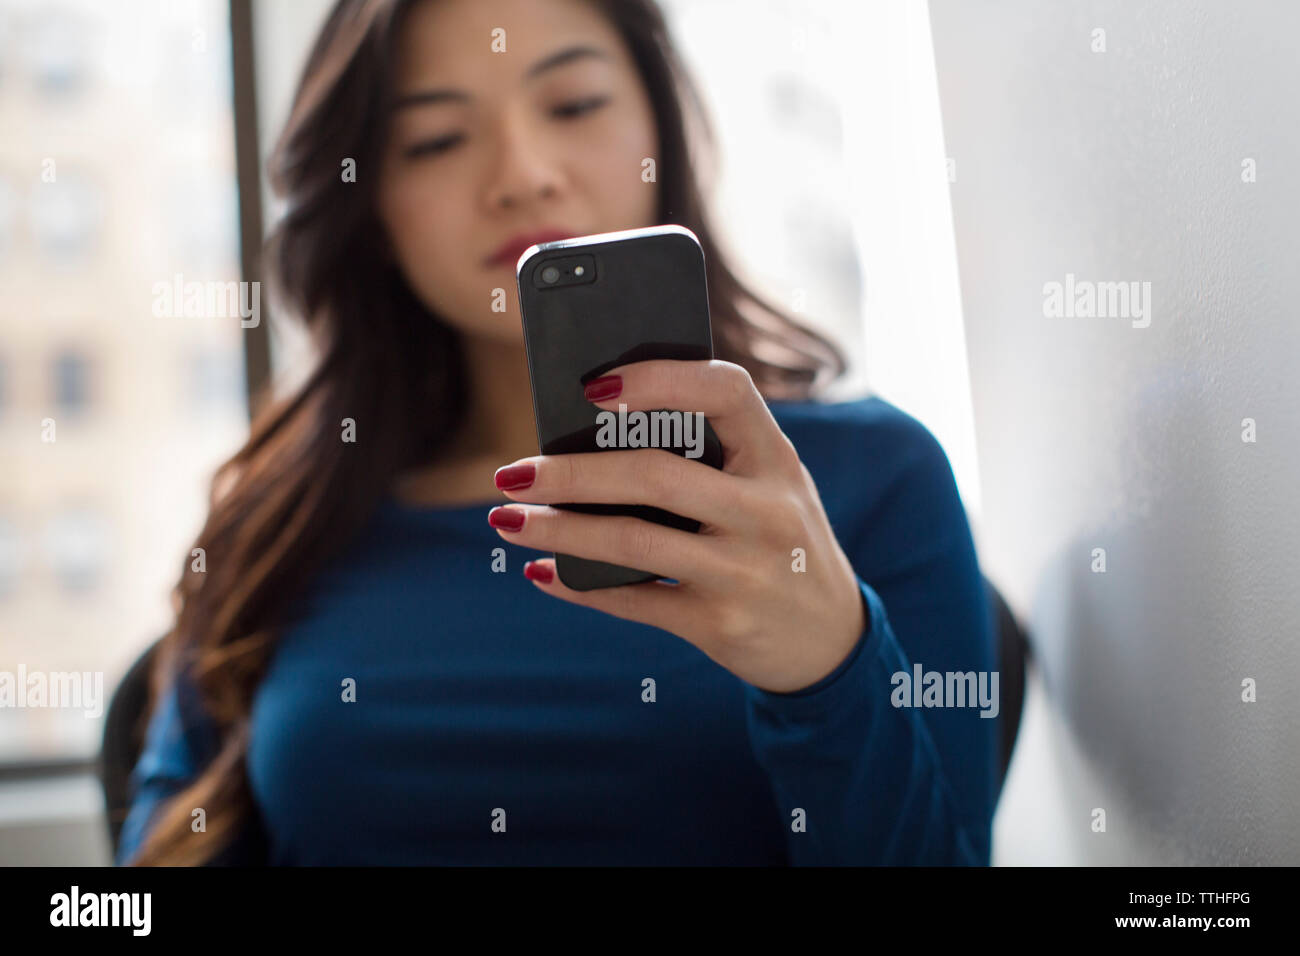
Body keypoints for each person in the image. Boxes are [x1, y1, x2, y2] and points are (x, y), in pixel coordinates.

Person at [117, 0, 997, 865]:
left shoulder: (877, 479)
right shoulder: (279, 522)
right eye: (434, 140)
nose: (524, 173)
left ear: (662, 125)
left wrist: (829, 669)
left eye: (574, 105)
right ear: (369, 202)